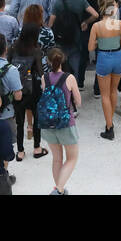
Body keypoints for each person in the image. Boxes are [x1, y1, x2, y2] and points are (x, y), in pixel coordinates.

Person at [37, 48, 81, 195]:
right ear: (63, 60)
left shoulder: (45, 78)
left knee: (57, 159)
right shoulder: (70, 78)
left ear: (48, 62)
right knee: (72, 158)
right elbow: (78, 102)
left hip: (48, 124)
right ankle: (59, 190)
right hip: (66, 124)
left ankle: (59, 190)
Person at [89, 0, 121, 140]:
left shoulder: (96, 26)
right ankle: (109, 121)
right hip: (118, 57)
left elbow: (90, 48)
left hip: (104, 58)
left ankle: (109, 127)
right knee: (113, 92)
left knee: (104, 95)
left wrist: (99, 41)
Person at [8, 23, 47, 161]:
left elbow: (8, 67)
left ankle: (20, 151)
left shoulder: (13, 48)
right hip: (33, 89)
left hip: (17, 88)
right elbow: (41, 71)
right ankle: (37, 148)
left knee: (19, 121)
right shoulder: (36, 50)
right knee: (36, 119)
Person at [52, 0, 99, 87]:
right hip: (76, 38)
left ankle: (62, 86)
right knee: (75, 62)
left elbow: (51, 22)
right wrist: (85, 22)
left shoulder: (58, 4)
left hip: (61, 38)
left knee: (61, 62)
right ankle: (74, 86)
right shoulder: (80, 1)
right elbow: (95, 15)